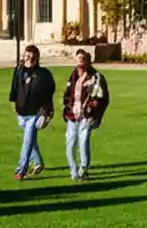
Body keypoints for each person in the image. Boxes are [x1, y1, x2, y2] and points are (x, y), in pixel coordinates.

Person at [8, 44, 56, 180]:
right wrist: (14, 104)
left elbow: (49, 93)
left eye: (32, 56)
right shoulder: (19, 71)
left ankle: (20, 170)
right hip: (21, 112)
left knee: (27, 141)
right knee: (31, 140)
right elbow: (14, 88)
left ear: (37, 58)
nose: (29, 59)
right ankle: (38, 162)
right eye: (27, 56)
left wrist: (48, 112)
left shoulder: (43, 74)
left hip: (35, 113)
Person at [62, 49, 110, 181]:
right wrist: (66, 109)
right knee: (70, 144)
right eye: (78, 58)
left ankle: (83, 167)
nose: (80, 61)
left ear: (88, 61)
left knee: (83, 141)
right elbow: (67, 95)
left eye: (83, 59)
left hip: (86, 116)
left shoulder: (96, 77)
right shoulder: (73, 77)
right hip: (72, 115)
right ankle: (73, 171)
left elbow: (102, 98)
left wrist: (93, 111)